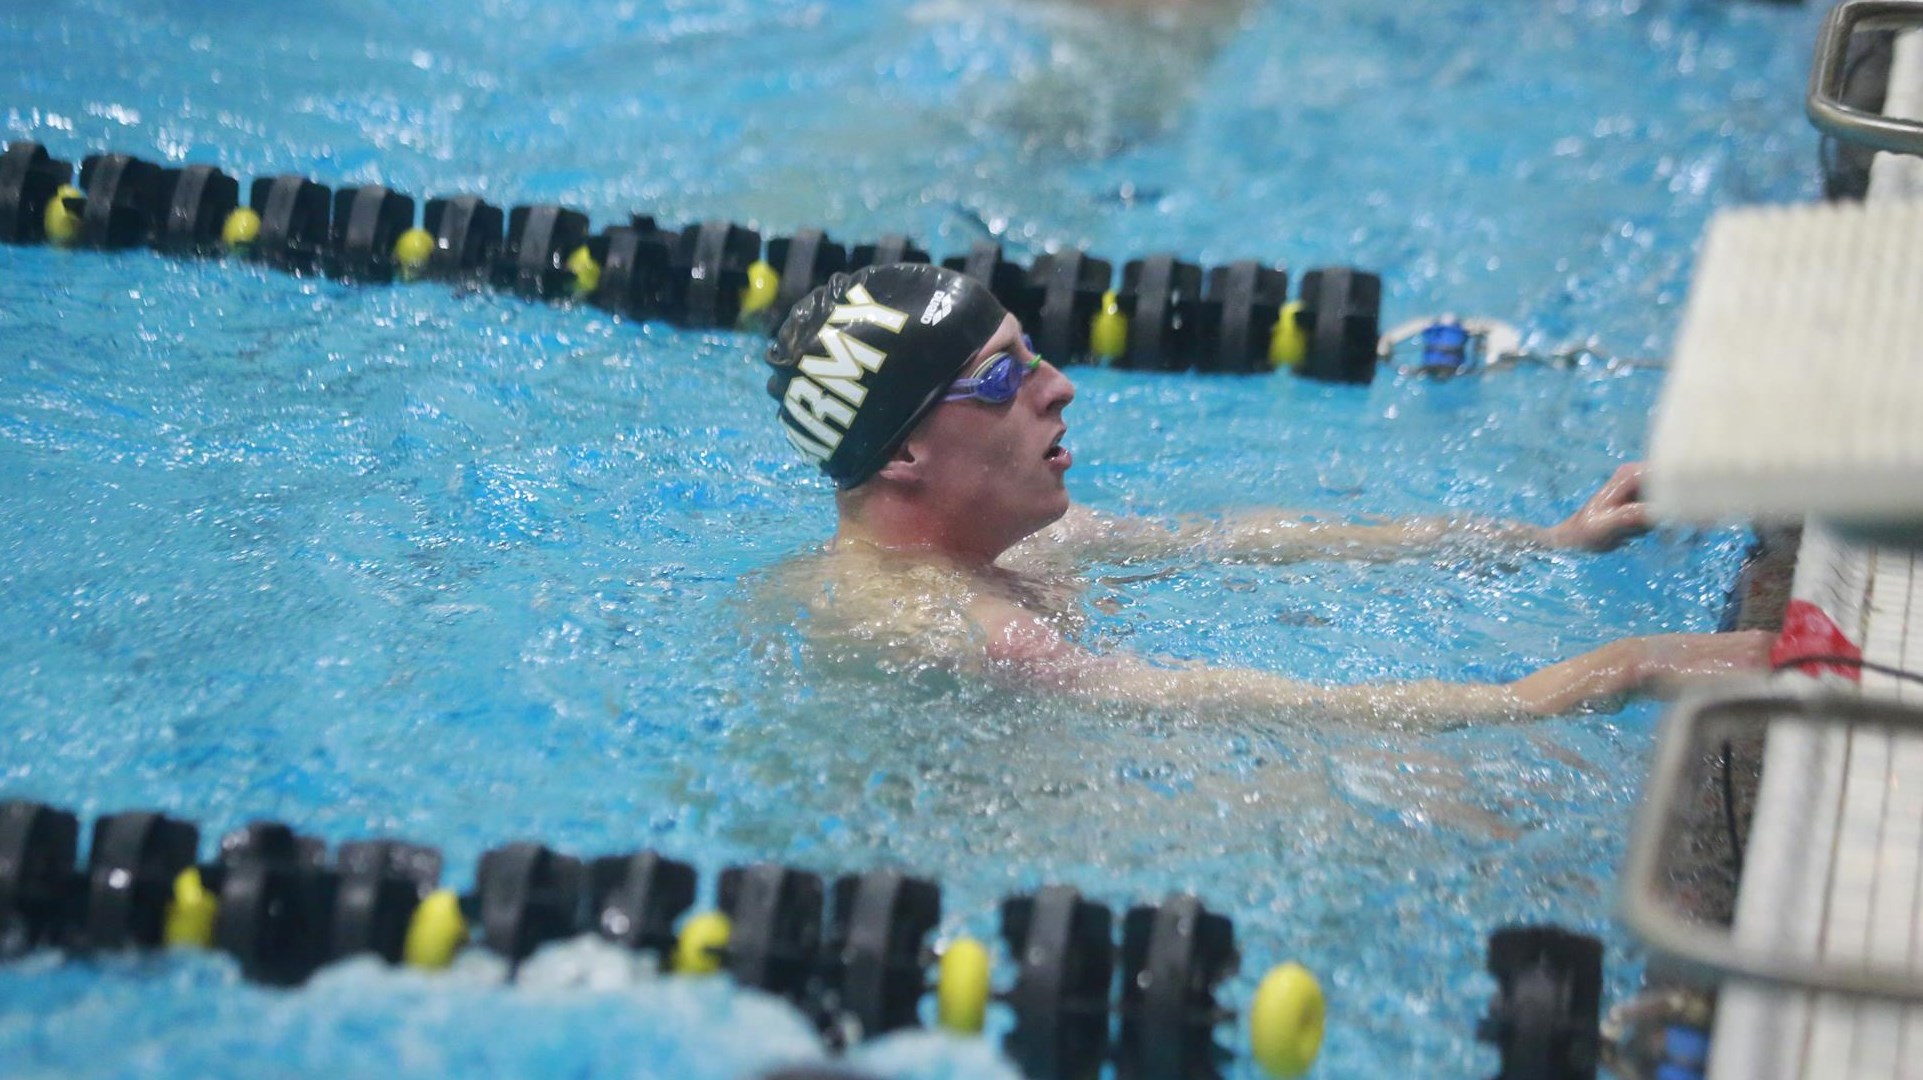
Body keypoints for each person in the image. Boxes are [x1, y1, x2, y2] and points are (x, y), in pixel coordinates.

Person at [760, 263, 1770, 730]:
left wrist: (1548, 541)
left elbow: (1238, 539)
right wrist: (1582, 679)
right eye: (1004, 375)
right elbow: (1256, 706)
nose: (1060, 384)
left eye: (1034, 351)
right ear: (901, 453)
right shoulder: (948, 626)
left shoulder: (1007, 548)